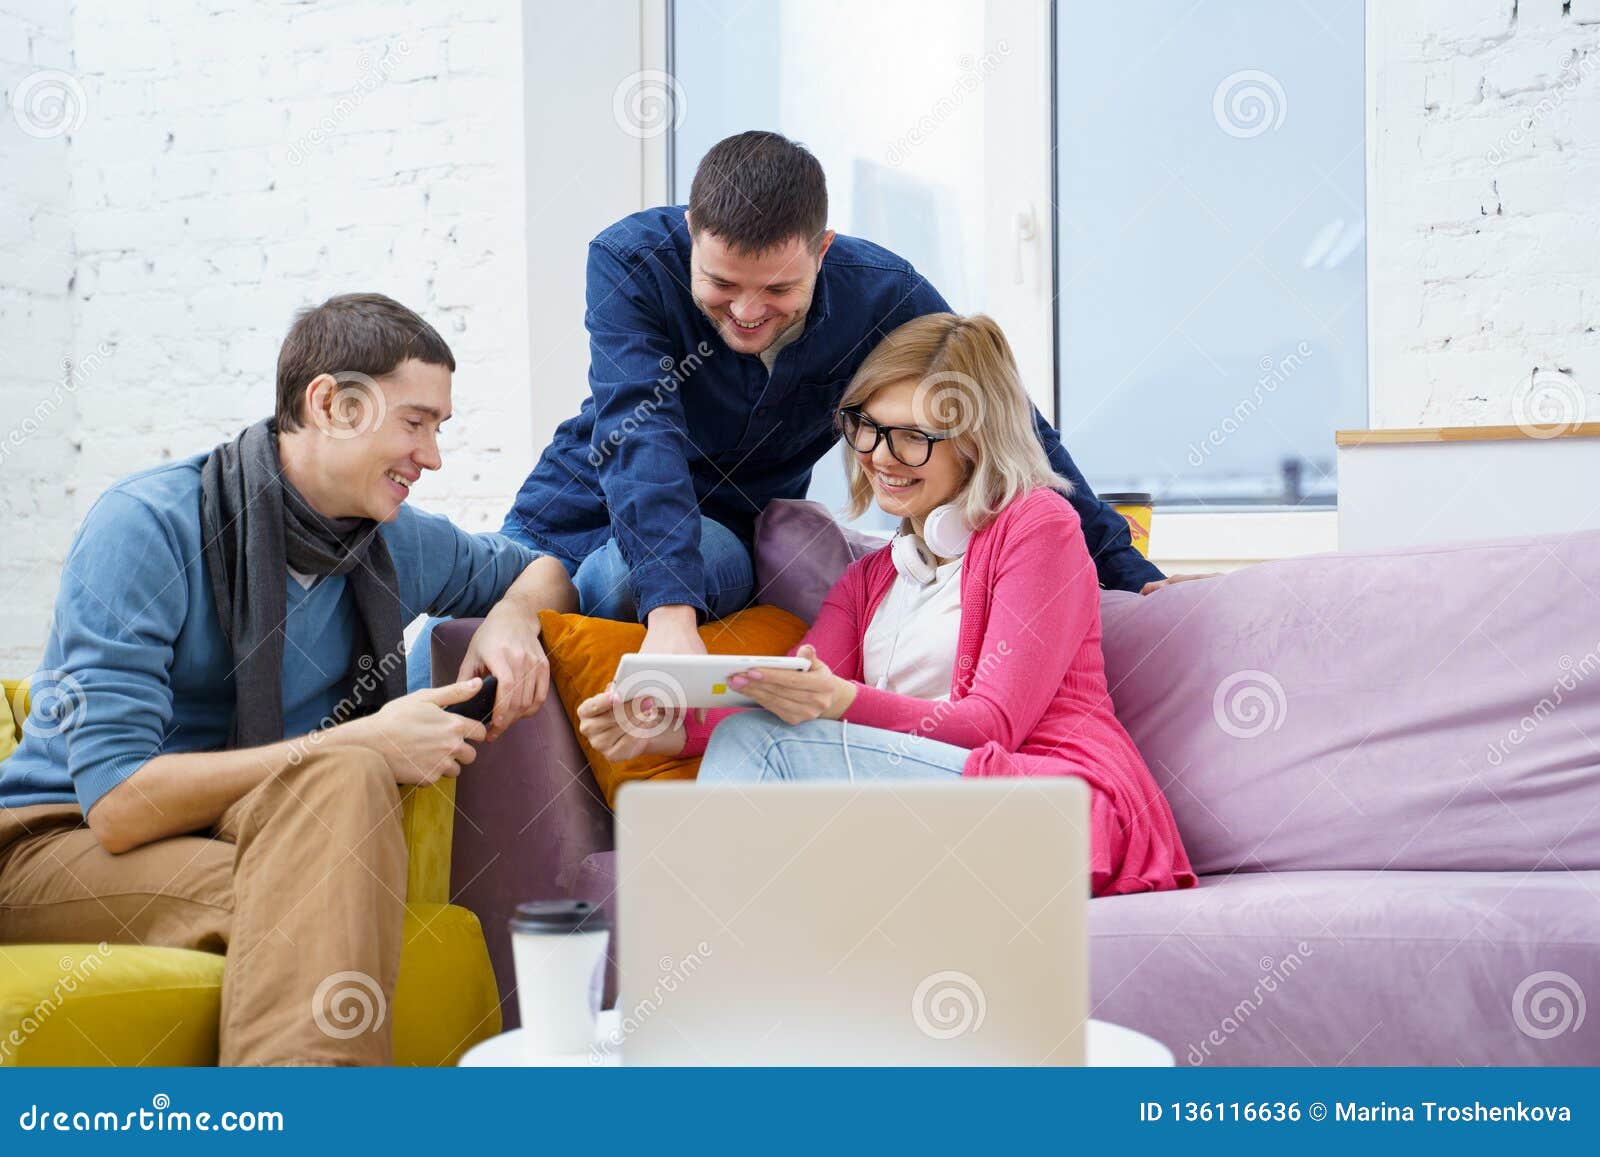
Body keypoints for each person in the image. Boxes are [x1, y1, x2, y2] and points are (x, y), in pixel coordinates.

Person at [0, 293, 572, 1065]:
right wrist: (365, 738)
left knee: (341, 785)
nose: (432, 456)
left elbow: (542, 567)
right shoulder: (148, 526)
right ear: (331, 403)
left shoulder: (394, 544)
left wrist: (512, 619)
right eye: (414, 422)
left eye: (439, 427)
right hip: (57, 844)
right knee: (342, 795)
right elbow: (118, 805)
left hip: (250, 832)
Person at [409, 130, 1195, 691]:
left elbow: (1005, 415)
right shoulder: (628, 262)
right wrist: (671, 617)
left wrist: (1124, 567)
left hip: (714, 533)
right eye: (721, 285)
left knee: (617, 581)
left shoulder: (882, 294)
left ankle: (541, 594)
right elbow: (638, 428)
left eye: (778, 290)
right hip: (578, 503)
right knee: (435, 654)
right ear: (690, 237)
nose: (747, 312)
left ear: (822, 250)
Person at [576, 313, 1196, 896]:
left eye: (914, 437)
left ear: (978, 442)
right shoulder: (869, 580)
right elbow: (784, 691)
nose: (880, 456)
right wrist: (659, 731)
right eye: (868, 427)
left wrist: (840, 702)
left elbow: (992, 725)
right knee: (757, 733)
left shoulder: (1039, 526)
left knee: (765, 744)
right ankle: (736, 984)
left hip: (1051, 807)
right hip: (935, 812)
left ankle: (696, 982)